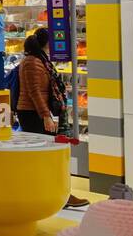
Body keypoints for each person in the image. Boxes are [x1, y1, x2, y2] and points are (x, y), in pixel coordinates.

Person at [16, 29, 89, 208]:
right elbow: (34, 92)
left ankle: (56, 193)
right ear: (45, 43)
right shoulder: (33, 62)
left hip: (38, 112)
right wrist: (46, 116)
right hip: (33, 113)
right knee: (46, 155)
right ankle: (54, 194)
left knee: (49, 154)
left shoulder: (41, 60)